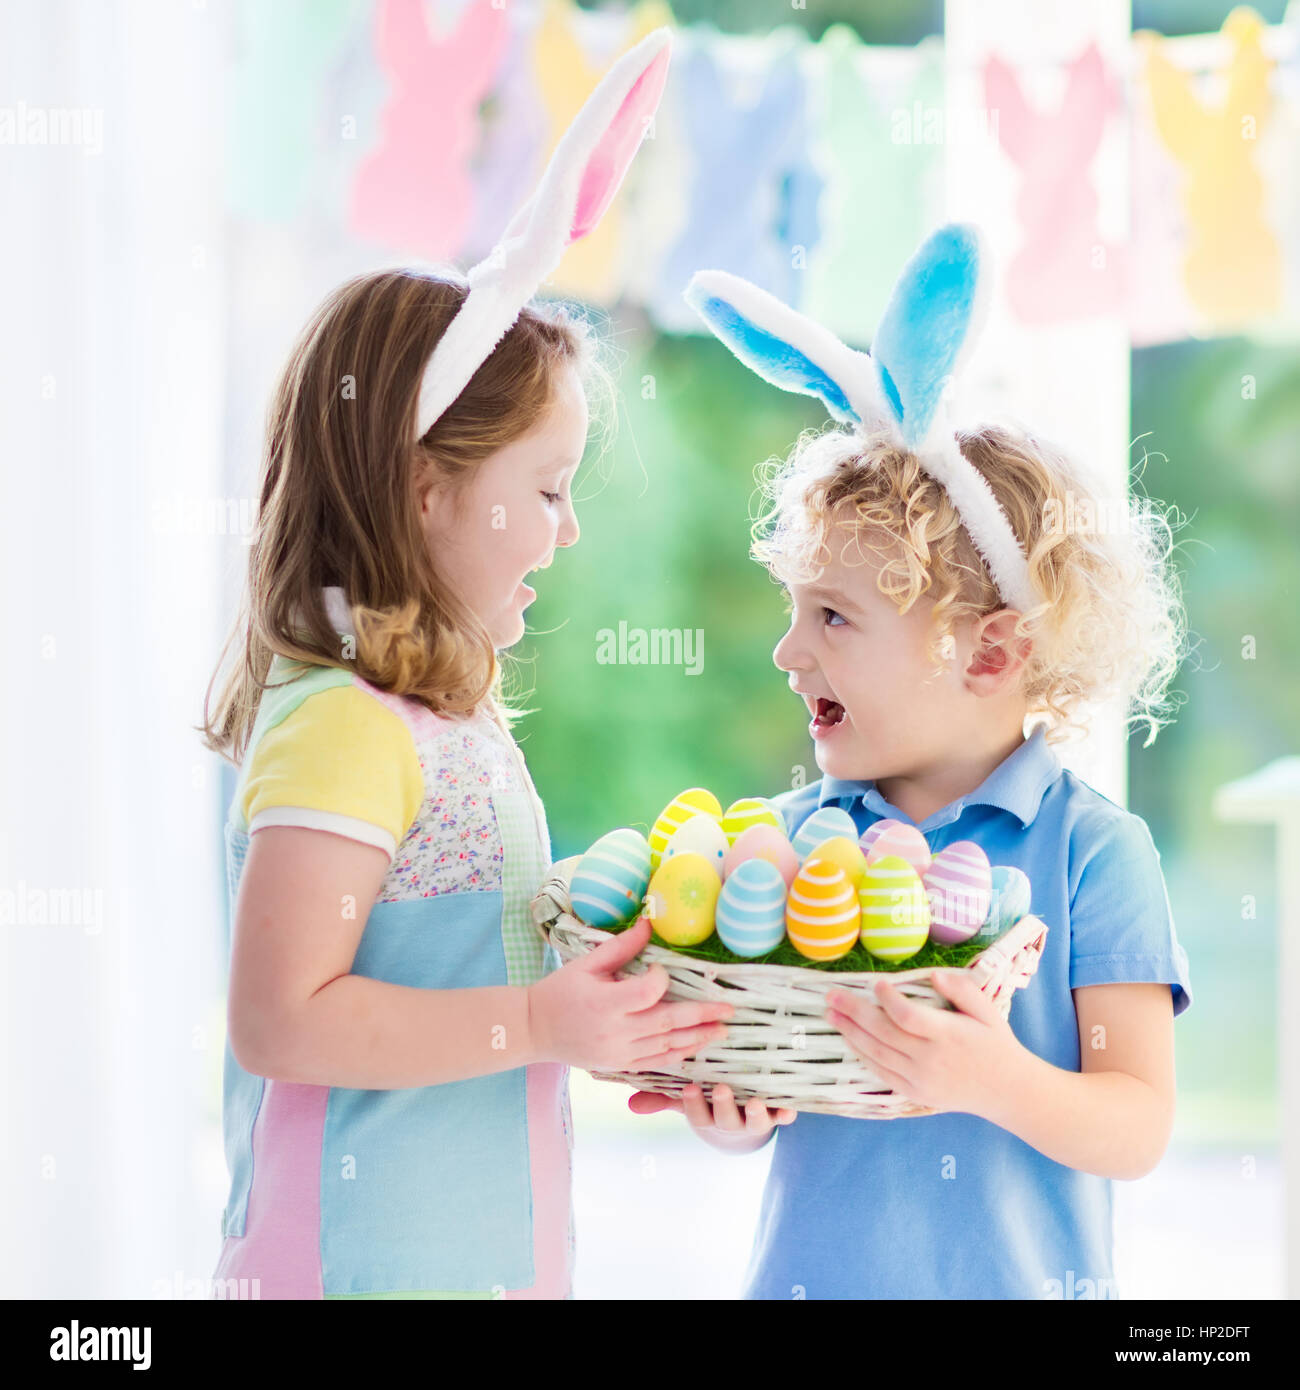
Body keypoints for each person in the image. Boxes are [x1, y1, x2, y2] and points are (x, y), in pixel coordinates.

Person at [200, 28, 733, 1300]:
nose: (570, 526)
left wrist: (606, 1018)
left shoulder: (449, 723)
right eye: (546, 488)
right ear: (426, 490)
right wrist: (541, 1023)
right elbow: (284, 1017)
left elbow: (450, 993)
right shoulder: (340, 725)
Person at [629, 224, 1193, 1299]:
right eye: (795, 613)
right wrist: (733, 1115)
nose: (789, 652)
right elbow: (776, 1074)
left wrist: (993, 1078)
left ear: (988, 648)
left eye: (834, 617)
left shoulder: (1091, 852)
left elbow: (1135, 1123)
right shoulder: (789, 846)